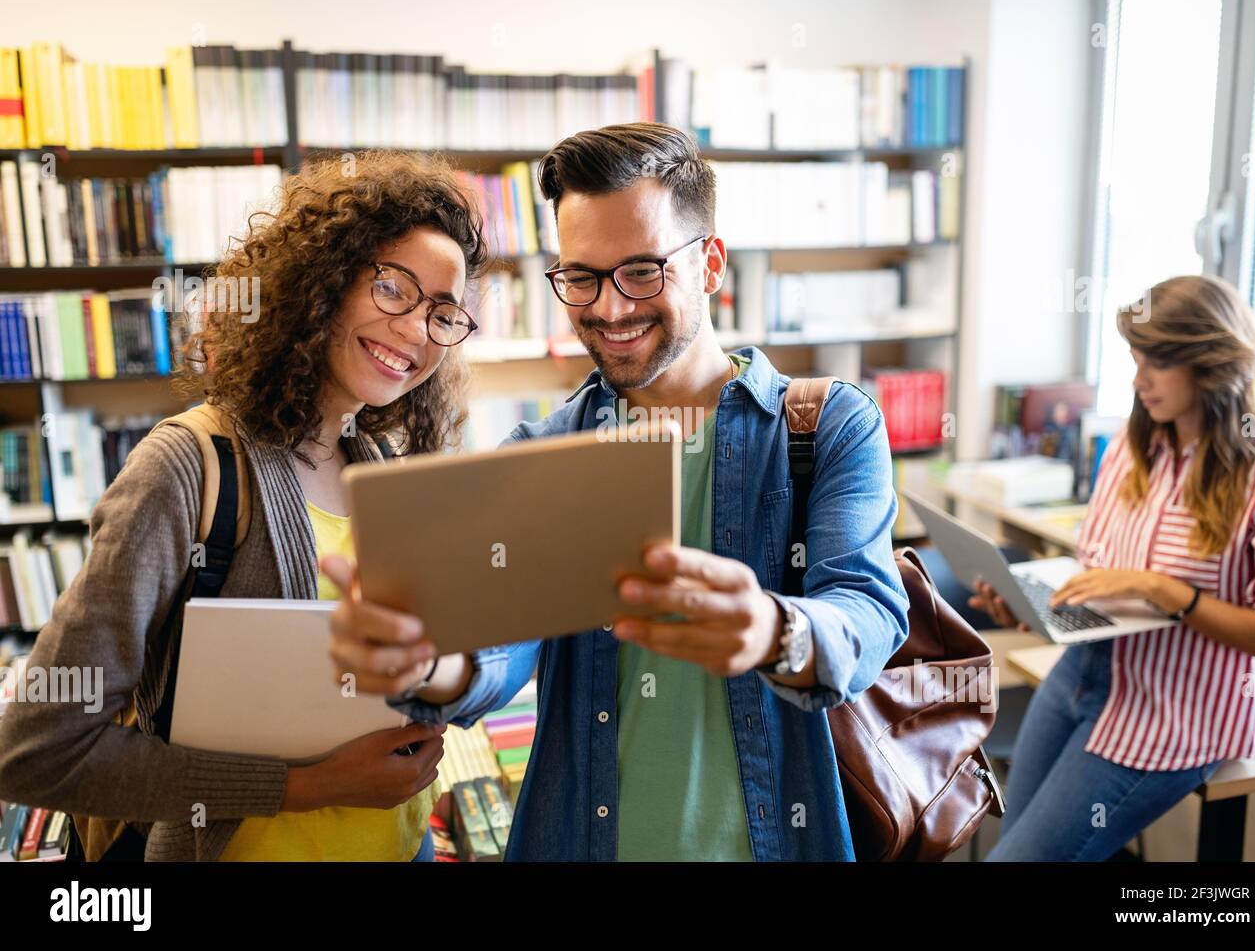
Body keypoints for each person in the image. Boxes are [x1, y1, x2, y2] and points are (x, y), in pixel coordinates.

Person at [323, 123, 910, 861]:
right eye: (582, 277)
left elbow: (868, 611)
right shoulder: (543, 457)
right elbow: (502, 642)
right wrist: (431, 664)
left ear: (712, 264)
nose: (607, 308)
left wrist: (772, 629)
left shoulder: (824, 427)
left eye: (641, 271)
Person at [0, 150, 483, 861]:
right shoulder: (185, 469)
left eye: (444, 312)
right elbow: (37, 749)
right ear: (320, 282)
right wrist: (309, 785)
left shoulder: (380, 468)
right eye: (392, 288)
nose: (416, 331)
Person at [978, 274, 1255, 861]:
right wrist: (1032, 610)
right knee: (1011, 844)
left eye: (1156, 362)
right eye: (1134, 359)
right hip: (1078, 678)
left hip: (1174, 716)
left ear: (1209, 361)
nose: (1138, 379)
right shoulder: (1132, 447)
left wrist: (1162, 589)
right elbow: (1101, 578)